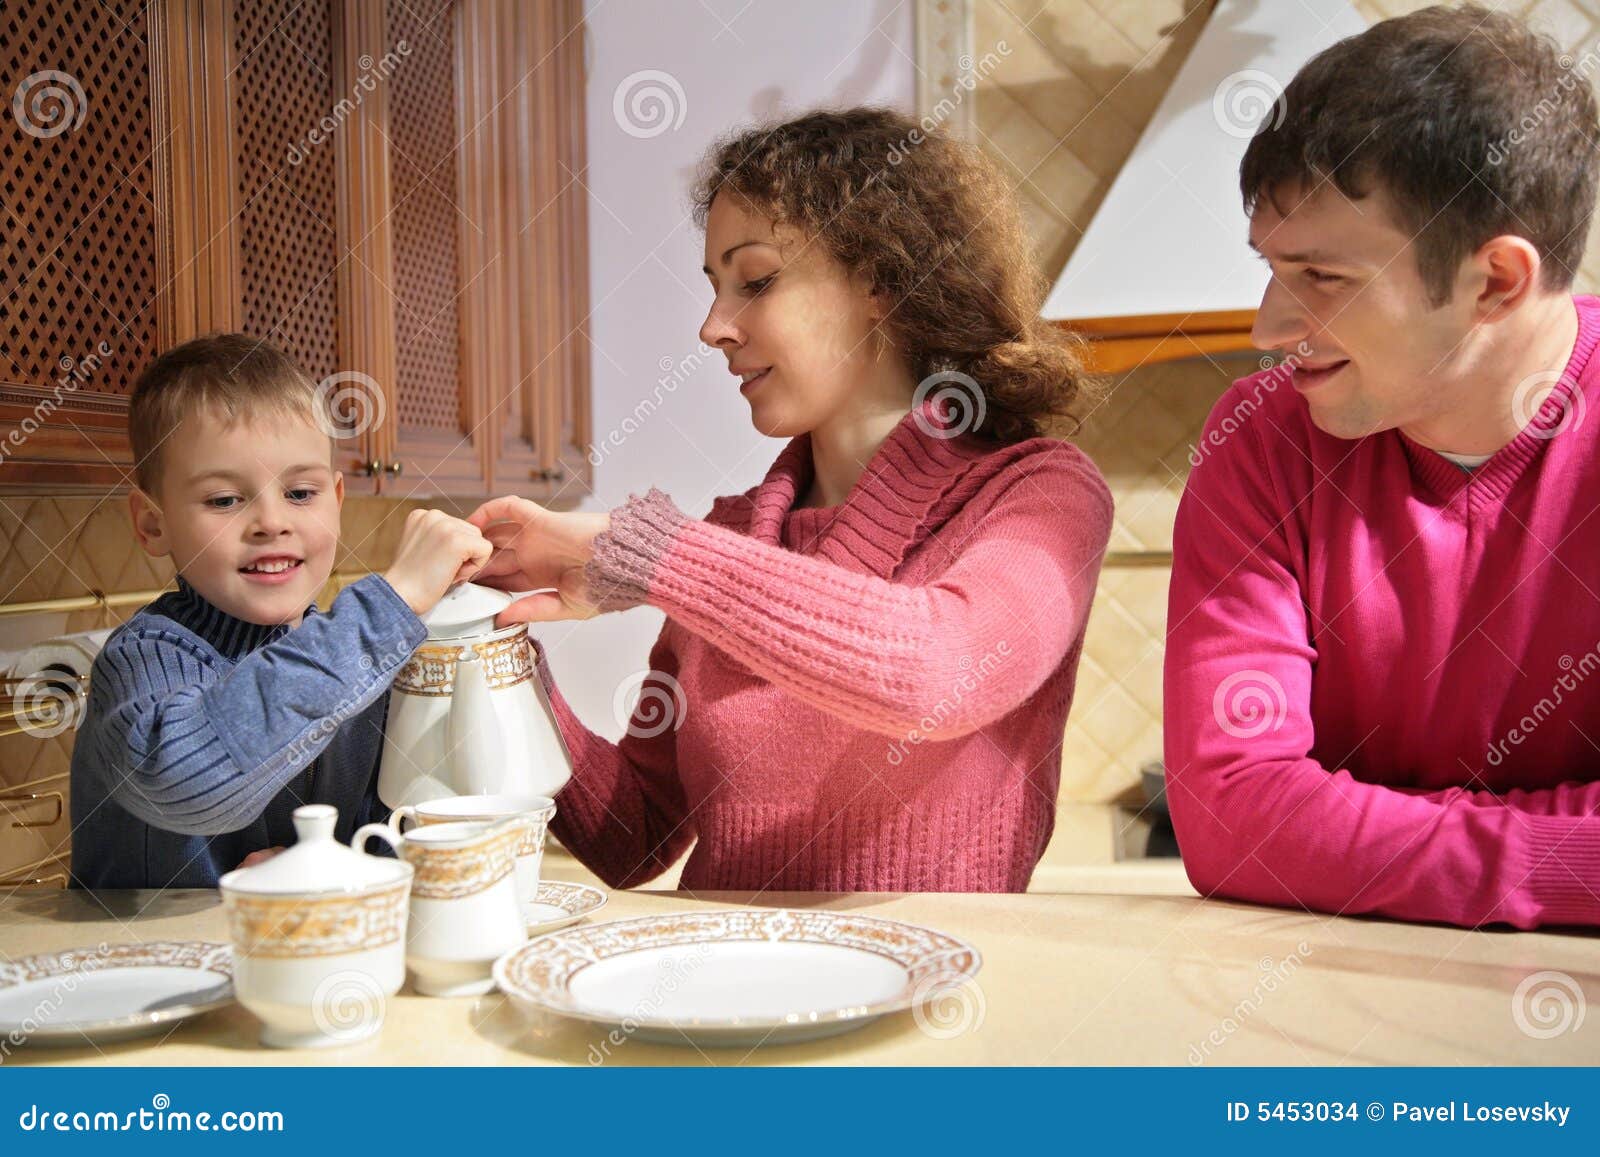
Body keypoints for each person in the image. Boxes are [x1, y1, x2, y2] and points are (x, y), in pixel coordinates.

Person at [469, 107, 1113, 893]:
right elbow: (632, 833)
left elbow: (938, 672)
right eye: (714, 289)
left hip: (944, 1002)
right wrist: (496, 660)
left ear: (880, 280)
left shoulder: (1038, 494)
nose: (713, 328)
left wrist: (653, 556)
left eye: (757, 281)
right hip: (725, 1001)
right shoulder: (725, 543)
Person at [1165, 5, 1600, 928]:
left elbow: (1281, 824)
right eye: (1271, 269)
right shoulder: (1257, 442)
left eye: (1322, 278)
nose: (1268, 330)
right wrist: (1562, 854)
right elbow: (1229, 816)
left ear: (1496, 281)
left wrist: (1352, 836)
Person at [70, 334, 491, 889]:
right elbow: (190, 784)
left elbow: (399, 827)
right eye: (224, 499)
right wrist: (391, 603)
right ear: (153, 524)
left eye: (300, 493)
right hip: (151, 969)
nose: (271, 521)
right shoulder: (144, 658)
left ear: (337, 503)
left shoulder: (360, 661)